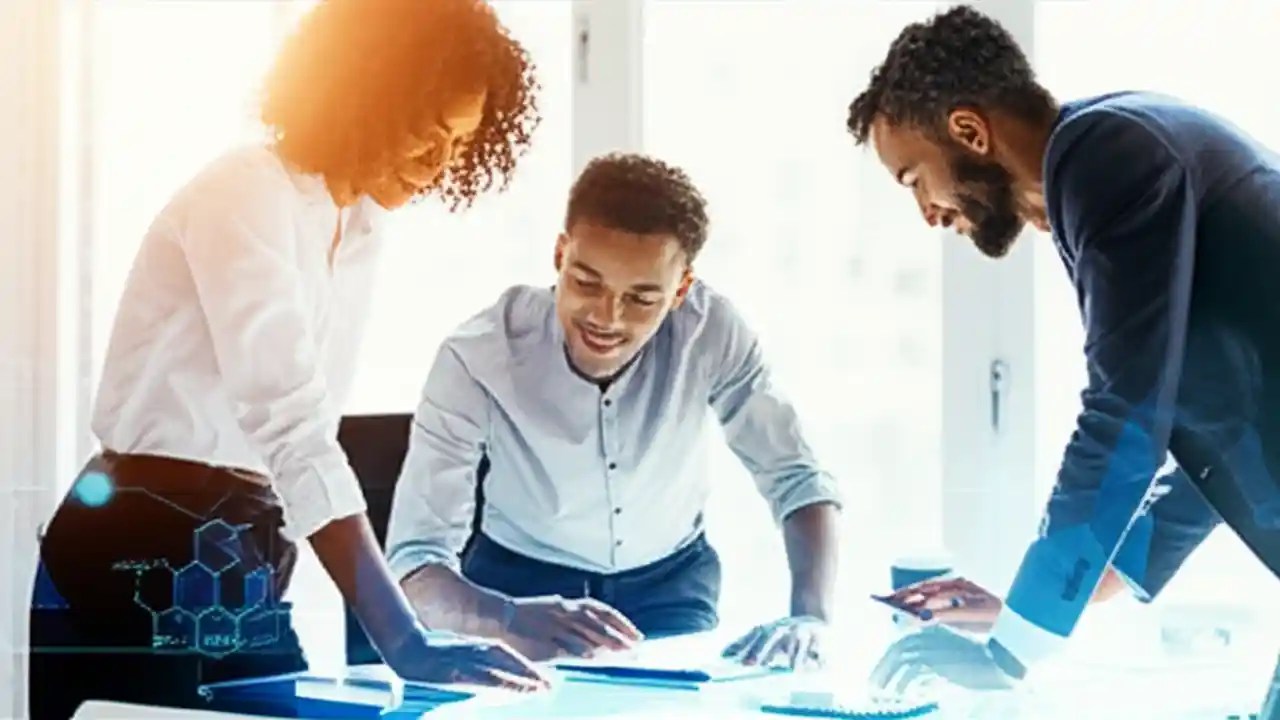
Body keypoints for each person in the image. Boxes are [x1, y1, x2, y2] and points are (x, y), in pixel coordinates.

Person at [28, 1, 551, 717]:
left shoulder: (358, 225)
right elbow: (293, 424)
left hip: (240, 538)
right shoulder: (246, 194)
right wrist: (401, 634)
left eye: (457, 147)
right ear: (365, 97)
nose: (439, 167)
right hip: (141, 535)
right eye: (426, 136)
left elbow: (290, 452)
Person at [843, 3, 1280, 695]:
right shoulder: (1115, 153)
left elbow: (1125, 414)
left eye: (914, 179)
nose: (927, 212)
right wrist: (1027, 608)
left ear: (968, 130)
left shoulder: (1106, 157)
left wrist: (1012, 651)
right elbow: (1213, 453)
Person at [384, 152, 843, 669]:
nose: (607, 318)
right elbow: (414, 559)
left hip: (670, 588)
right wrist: (505, 617)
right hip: (515, 591)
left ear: (681, 290)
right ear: (560, 255)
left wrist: (811, 616)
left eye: (642, 298)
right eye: (587, 283)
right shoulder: (477, 356)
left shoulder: (711, 330)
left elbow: (796, 477)